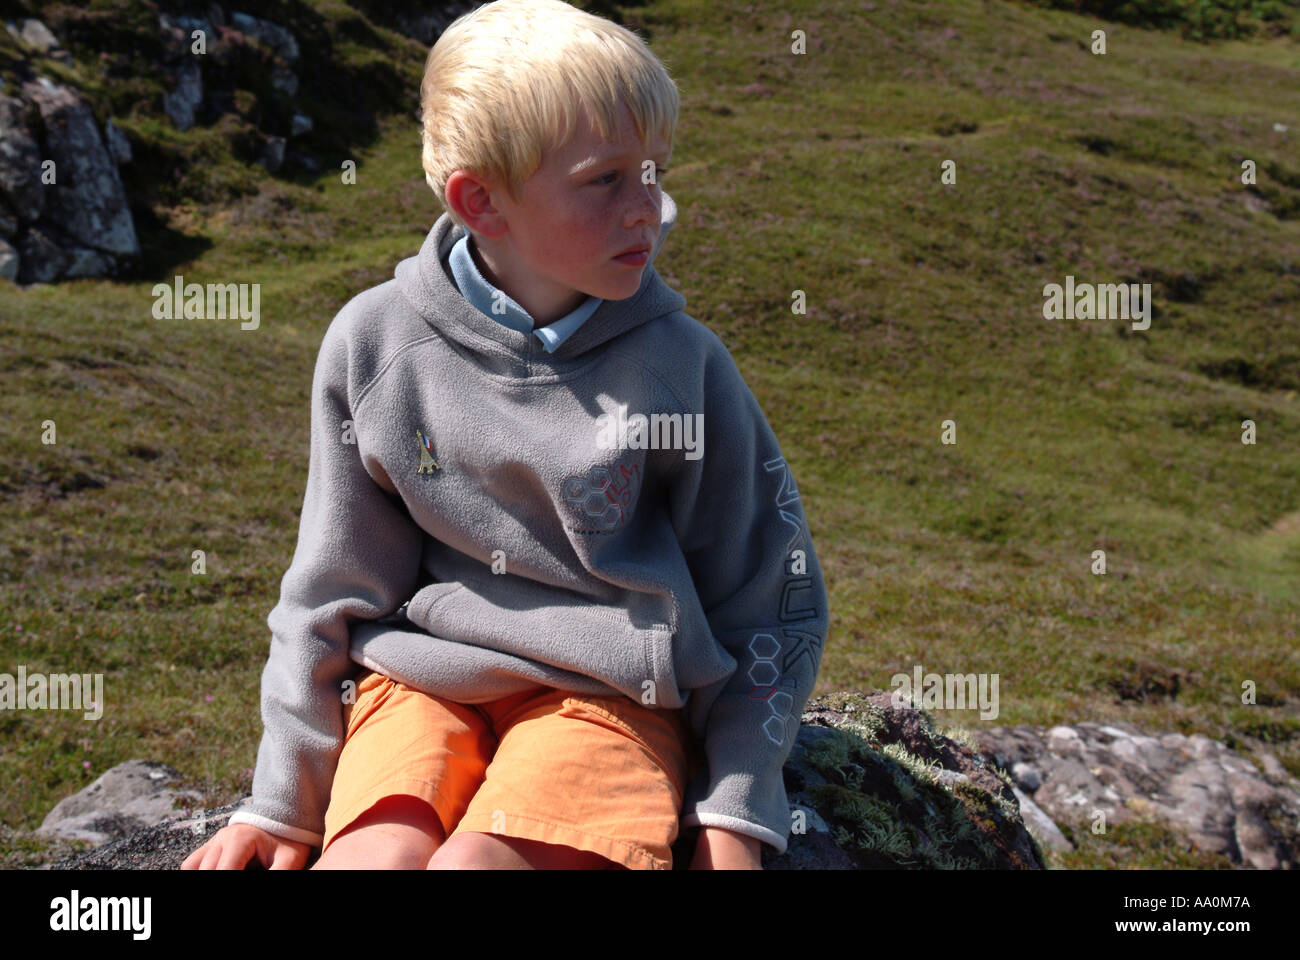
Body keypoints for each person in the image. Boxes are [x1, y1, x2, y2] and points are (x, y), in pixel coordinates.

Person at [181, 0, 828, 871]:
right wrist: (284, 806)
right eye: (606, 180)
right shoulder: (376, 346)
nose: (651, 209)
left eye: (655, 171)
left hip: (608, 700)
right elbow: (329, 593)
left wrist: (735, 809)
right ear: (480, 200)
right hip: (417, 688)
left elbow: (771, 593)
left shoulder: (684, 367)